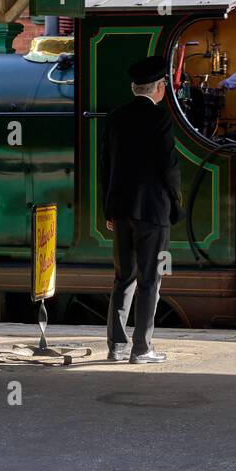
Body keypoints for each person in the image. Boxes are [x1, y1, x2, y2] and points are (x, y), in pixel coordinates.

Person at [99, 55, 182, 364]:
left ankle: (116, 347)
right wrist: (176, 202)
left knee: (123, 278)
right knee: (151, 280)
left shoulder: (115, 117)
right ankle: (142, 348)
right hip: (153, 211)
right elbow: (169, 167)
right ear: (159, 88)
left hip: (120, 210)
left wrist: (109, 209)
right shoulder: (160, 119)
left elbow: (106, 166)